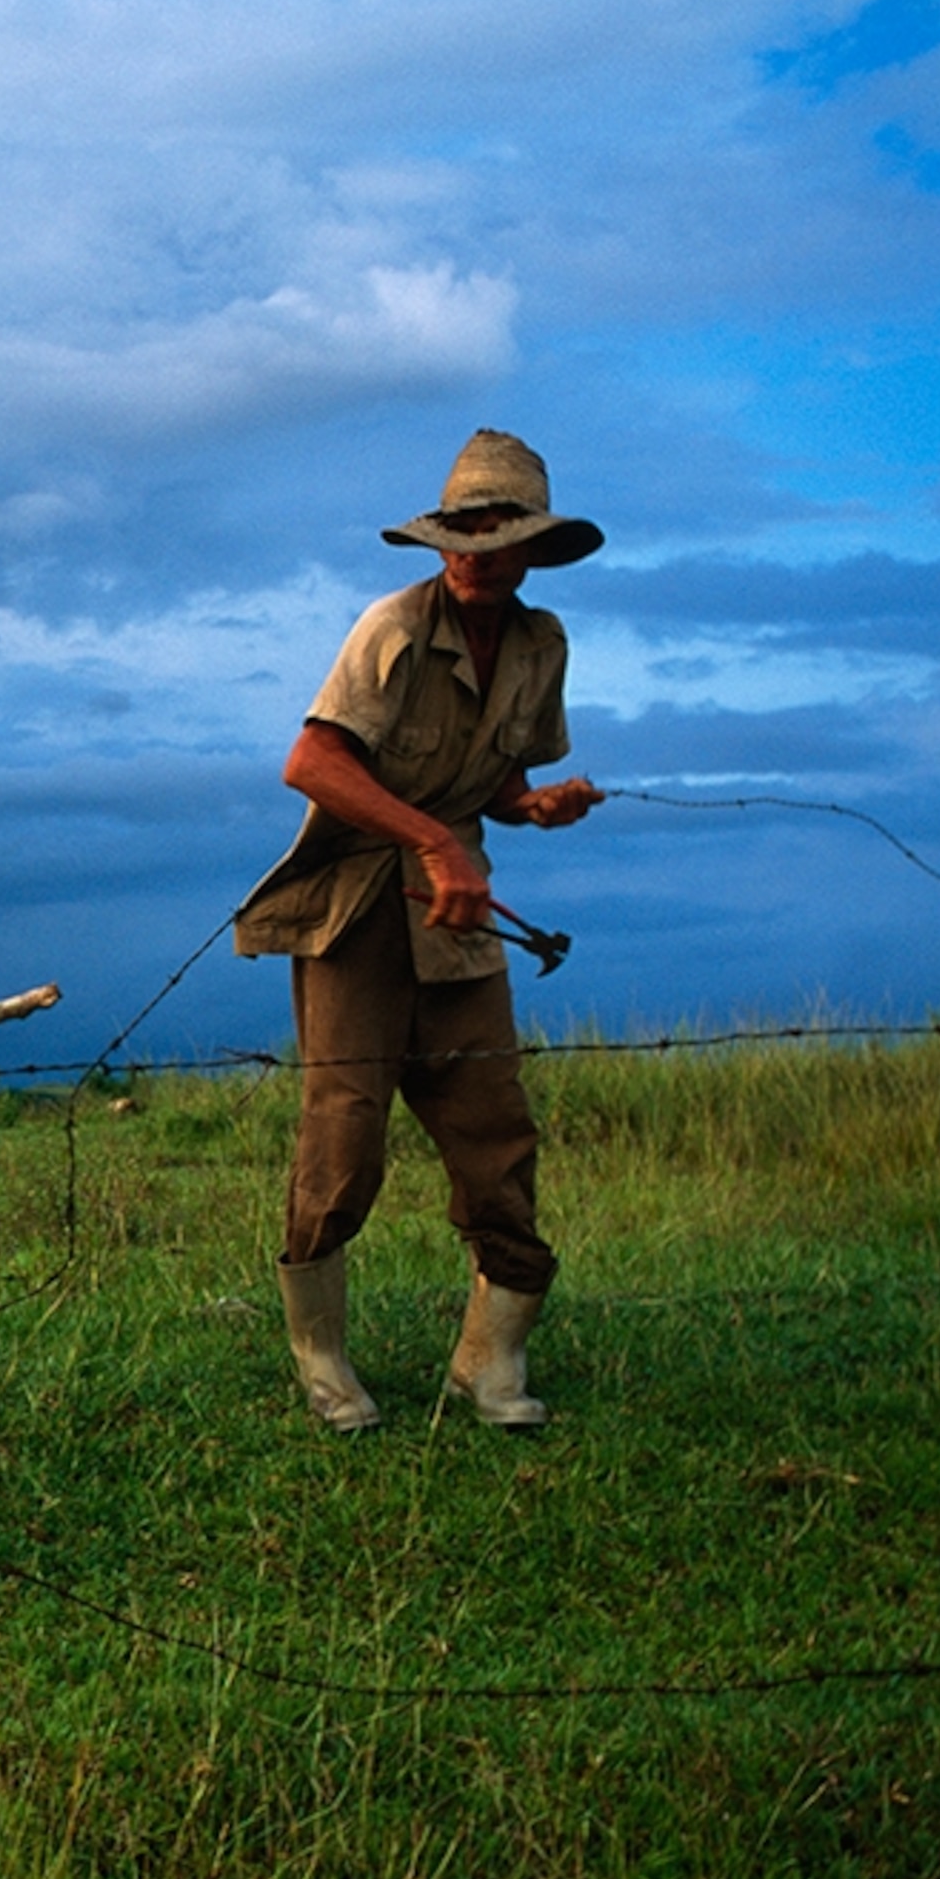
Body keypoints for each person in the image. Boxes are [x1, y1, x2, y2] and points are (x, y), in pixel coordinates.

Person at [232, 430, 604, 1432]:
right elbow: (311, 764)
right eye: (462, 532)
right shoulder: (391, 626)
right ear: (440, 543)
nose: (477, 551)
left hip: (457, 911)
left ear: (534, 547)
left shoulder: (541, 644)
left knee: (494, 1126)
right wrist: (438, 839)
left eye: (501, 532)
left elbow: (502, 781)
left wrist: (538, 809)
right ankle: (323, 1365)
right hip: (359, 907)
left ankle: (490, 1363)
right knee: (344, 1134)